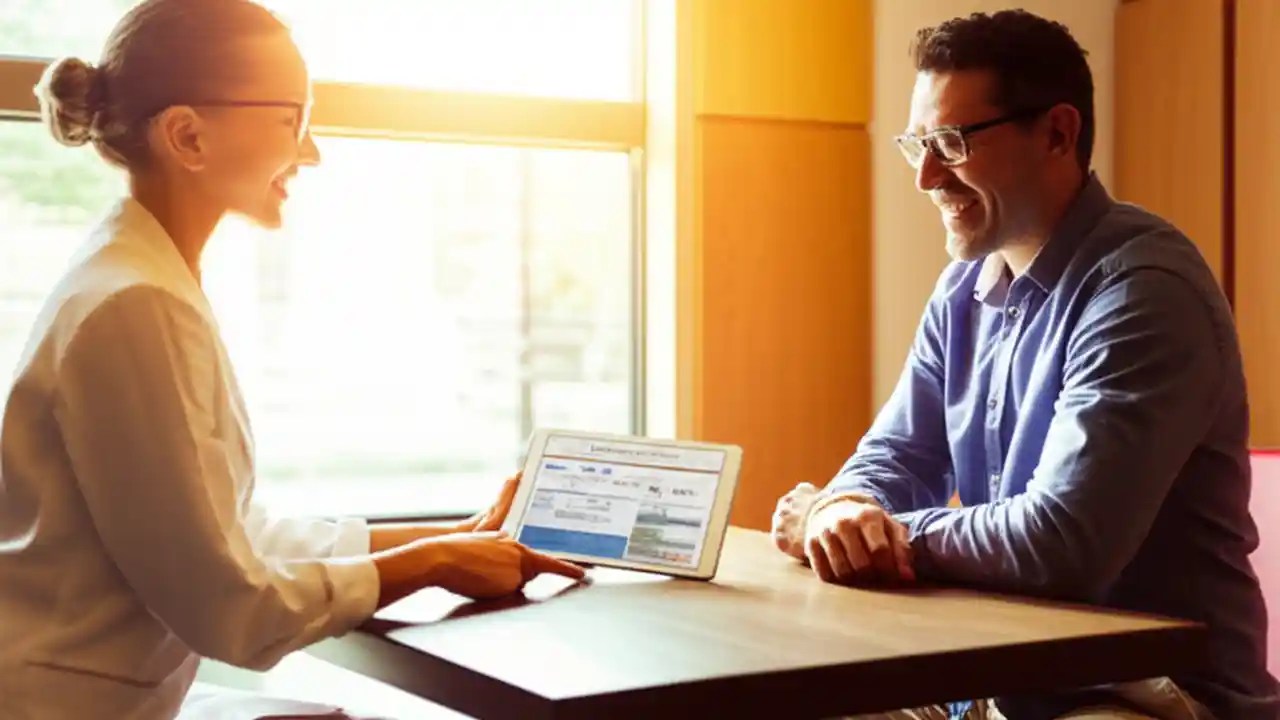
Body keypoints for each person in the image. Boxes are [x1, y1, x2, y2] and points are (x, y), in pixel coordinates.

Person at [0, 1, 584, 718]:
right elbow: (228, 607)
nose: (311, 152)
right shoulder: (135, 303)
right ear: (188, 135)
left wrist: (444, 536)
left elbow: (222, 533)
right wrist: (427, 565)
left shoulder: (139, 277)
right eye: (293, 119)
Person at [771, 10, 1278, 720]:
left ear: (1058, 133)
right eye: (917, 143)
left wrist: (889, 538)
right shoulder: (962, 291)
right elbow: (894, 455)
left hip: (1150, 692)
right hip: (1003, 677)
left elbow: (1061, 546)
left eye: (950, 141)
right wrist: (845, 506)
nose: (925, 176)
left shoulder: (1144, 290)